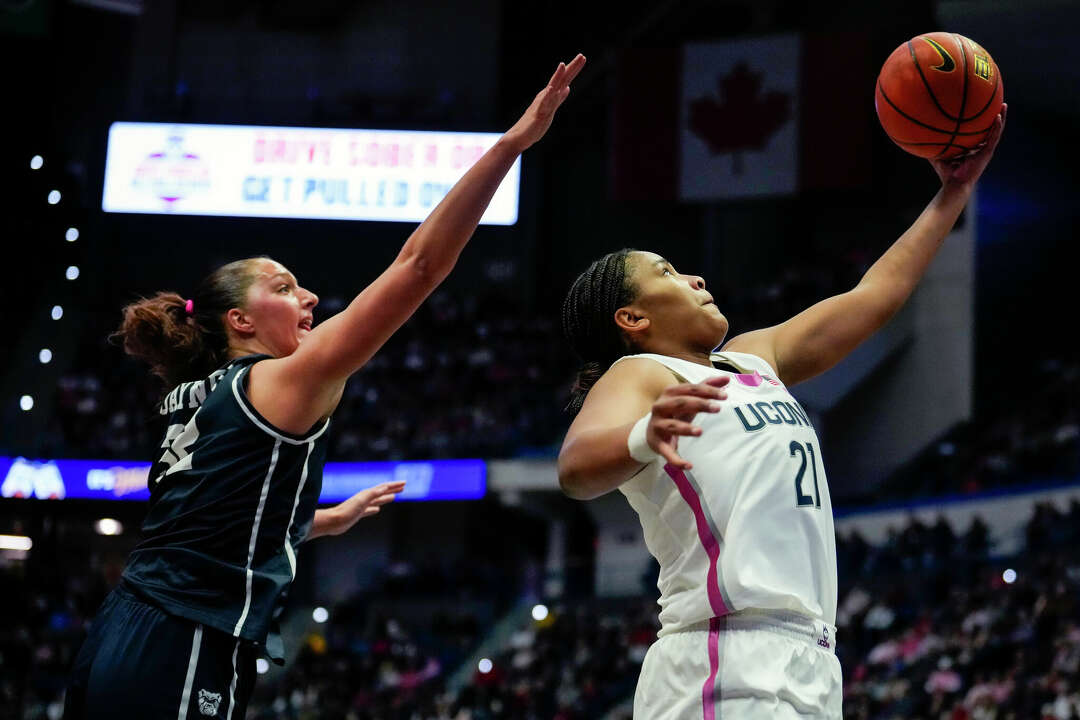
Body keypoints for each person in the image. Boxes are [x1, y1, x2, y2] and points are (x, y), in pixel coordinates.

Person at [63, 54, 586, 720]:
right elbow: (420, 266)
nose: (309, 295)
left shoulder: (193, 392)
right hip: (184, 635)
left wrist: (314, 523)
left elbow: (207, 524)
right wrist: (511, 145)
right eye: (283, 287)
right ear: (240, 320)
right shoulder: (280, 380)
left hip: (124, 626)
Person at [558, 107, 1006, 719]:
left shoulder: (751, 358)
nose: (693, 276)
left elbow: (874, 297)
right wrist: (643, 433)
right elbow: (576, 469)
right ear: (632, 320)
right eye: (666, 272)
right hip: (724, 656)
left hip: (810, 655)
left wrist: (955, 191)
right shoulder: (641, 374)